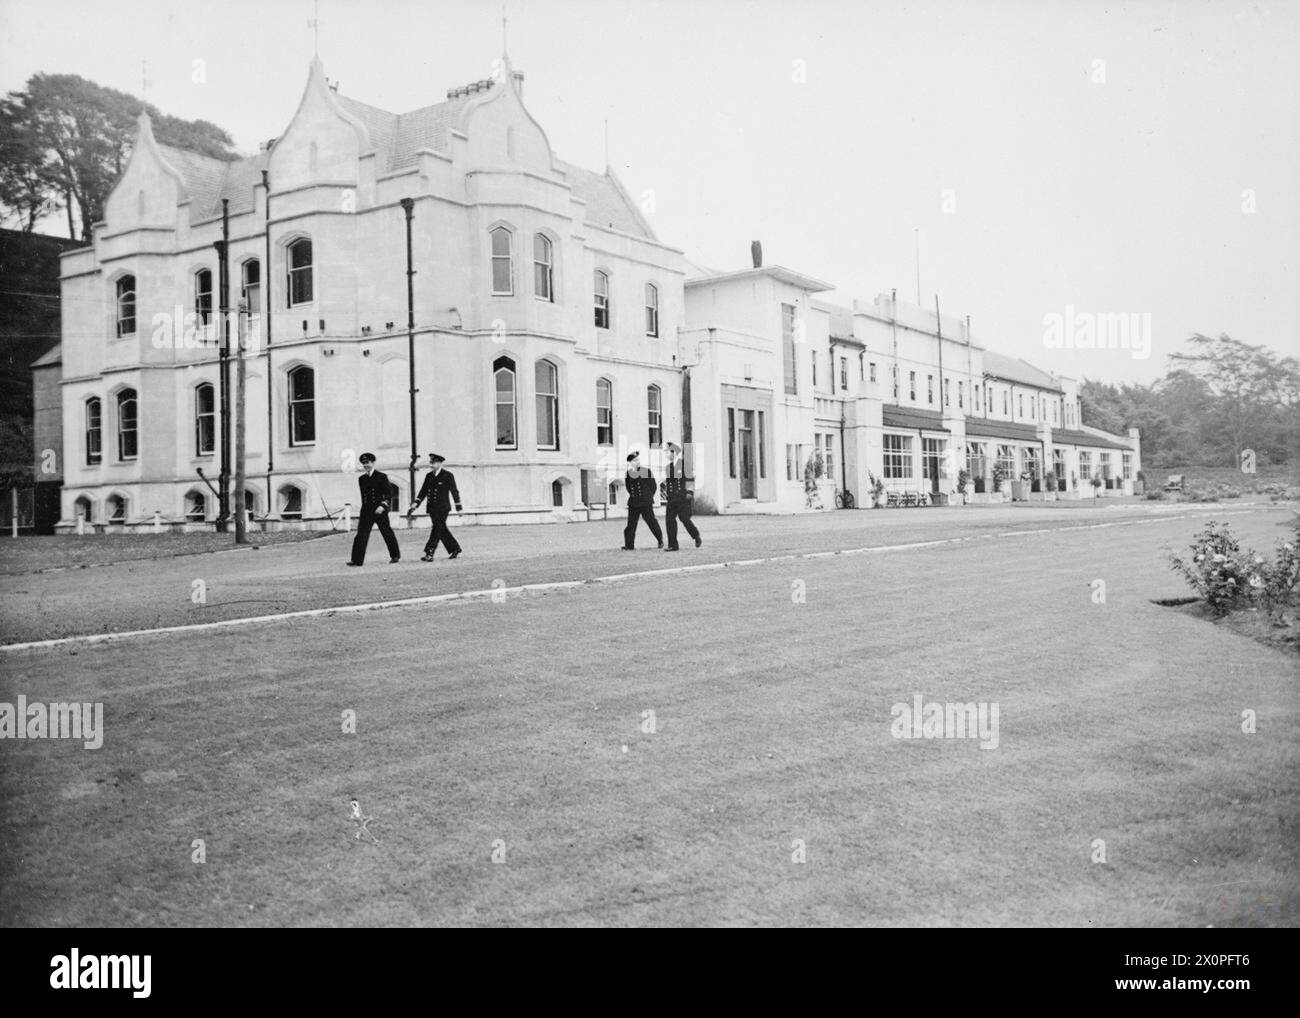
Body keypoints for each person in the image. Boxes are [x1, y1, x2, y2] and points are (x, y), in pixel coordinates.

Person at [348, 453, 400, 566]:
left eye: (367, 462)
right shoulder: (362, 479)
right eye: (364, 463)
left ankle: (395, 555)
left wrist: (383, 506)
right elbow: (364, 497)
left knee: (386, 532)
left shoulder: (381, 476)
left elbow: (388, 493)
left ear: (373, 463)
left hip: (379, 510)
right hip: (366, 511)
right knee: (361, 534)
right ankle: (356, 560)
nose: (366, 465)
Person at [409, 452, 463, 561]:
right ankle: (455, 548)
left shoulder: (447, 475)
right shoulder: (429, 476)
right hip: (432, 508)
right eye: (430, 462)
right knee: (441, 529)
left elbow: (454, 491)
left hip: (443, 508)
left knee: (437, 528)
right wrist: (416, 503)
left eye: (433, 463)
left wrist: (459, 507)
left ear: (439, 463)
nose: (431, 465)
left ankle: (430, 552)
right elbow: (423, 491)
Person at [660, 441, 702, 551]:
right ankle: (673, 545)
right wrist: (667, 495)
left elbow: (690, 479)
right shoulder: (668, 467)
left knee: (684, 519)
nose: (666, 454)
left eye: (668, 452)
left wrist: (690, 492)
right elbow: (669, 482)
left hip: (682, 497)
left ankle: (696, 535)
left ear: (674, 453)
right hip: (672, 498)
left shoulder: (684, 464)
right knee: (669, 521)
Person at [622, 451, 663, 550]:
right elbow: (628, 487)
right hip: (634, 503)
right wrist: (635, 496)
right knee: (631, 524)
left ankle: (660, 540)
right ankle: (629, 545)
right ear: (630, 462)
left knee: (651, 522)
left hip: (645, 502)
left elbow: (653, 486)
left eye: (638, 460)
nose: (637, 462)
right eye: (635, 460)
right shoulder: (628, 473)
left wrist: (647, 497)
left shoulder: (645, 471)